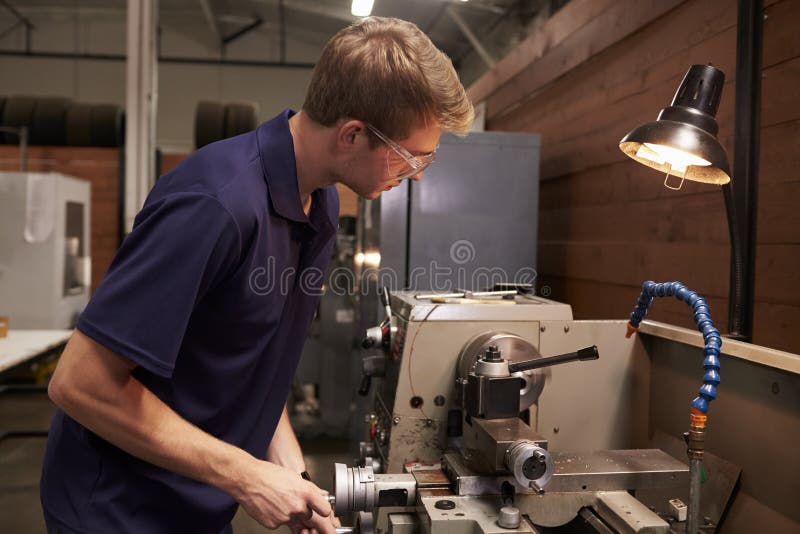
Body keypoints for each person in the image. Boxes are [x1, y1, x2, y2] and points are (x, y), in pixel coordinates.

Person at [41, 16, 473, 534]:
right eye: (410, 157)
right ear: (353, 134)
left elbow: (254, 368)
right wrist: (246, 475)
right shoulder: (214, 204)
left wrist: (292, 479)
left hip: (198, 501)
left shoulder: (322, 206)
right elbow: (79, 384)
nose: (416, 175)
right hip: (117, 509)